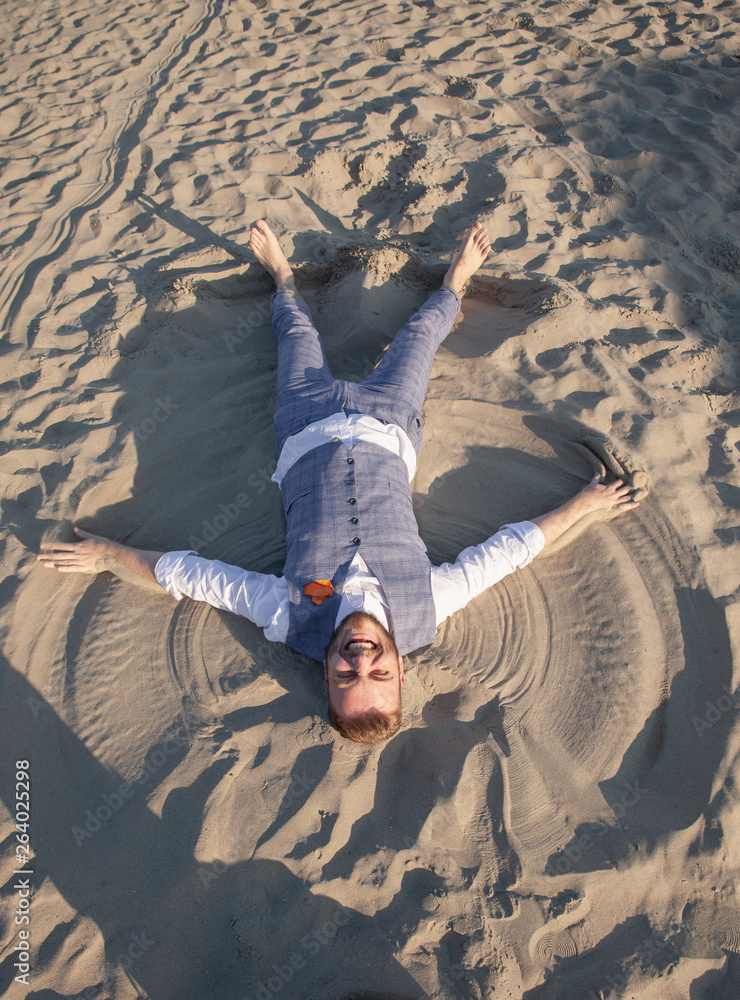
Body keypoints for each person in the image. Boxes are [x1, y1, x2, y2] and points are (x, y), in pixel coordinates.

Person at [38, 221, 639, 743]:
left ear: (324, 675)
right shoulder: (427, 607)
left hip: (303, 425)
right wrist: (585, 503)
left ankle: (282, 278)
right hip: (390, 422)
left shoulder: (294, 614)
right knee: (418, 343)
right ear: (403, 670)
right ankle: (456, 281)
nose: (362, 663)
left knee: (295, 334)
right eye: (379, 676)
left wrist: (108, 556)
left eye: (347, 677)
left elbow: (194, 578)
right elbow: (511, 552)